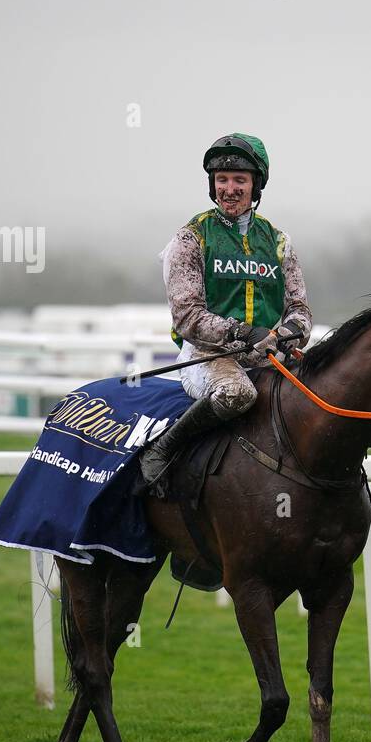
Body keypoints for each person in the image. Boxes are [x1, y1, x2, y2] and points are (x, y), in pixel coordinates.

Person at [138, 133, 312, 485]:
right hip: (207, 355)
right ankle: (164, 449)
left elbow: (299, 309)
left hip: (267, 355)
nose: (229, 189)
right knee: (237, 393)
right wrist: (243, 333)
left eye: (239, 180)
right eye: (221, 180)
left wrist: (292, 331)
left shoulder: (279, 242)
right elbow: (187, 317)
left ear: (256, 186)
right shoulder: (191, 237)